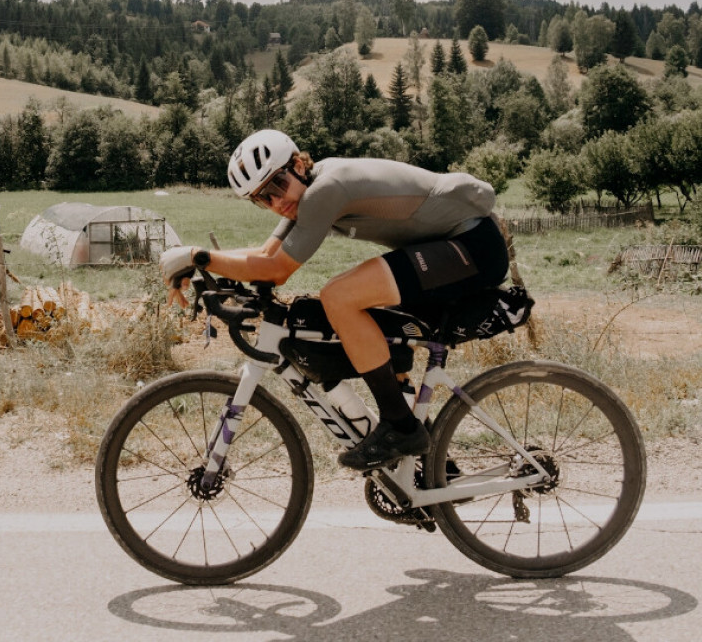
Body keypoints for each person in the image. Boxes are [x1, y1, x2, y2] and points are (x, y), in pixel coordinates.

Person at [160, 129, 508, 470]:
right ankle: (433, 469)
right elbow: (266, 254)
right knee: (374, 326)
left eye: (277, 186)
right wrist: (208, 271)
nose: (277, 202)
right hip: (446, 249)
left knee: (339, 296)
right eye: (262, 199)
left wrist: (196, 255)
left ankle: (400, 429)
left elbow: (276, 269)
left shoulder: (326, 189)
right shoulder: (306, 195)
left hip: (473, 246)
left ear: (298, 164)